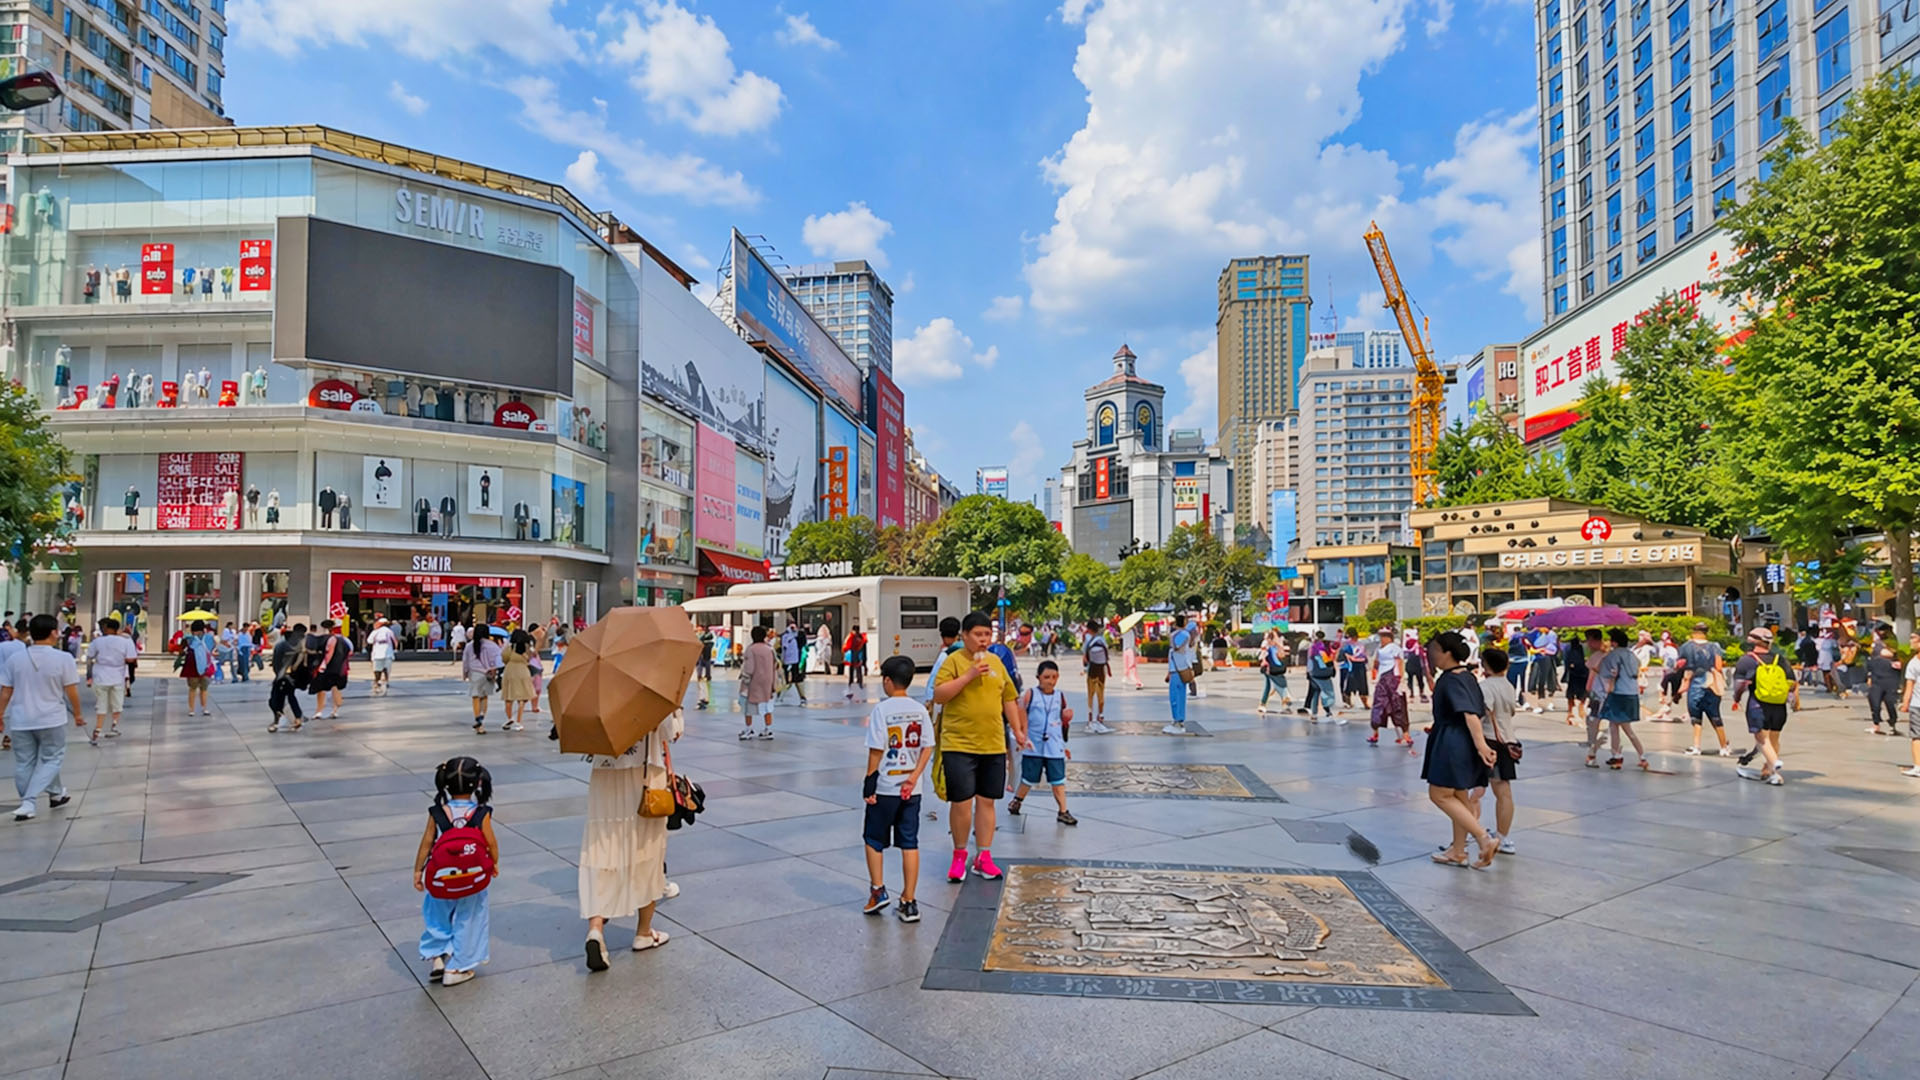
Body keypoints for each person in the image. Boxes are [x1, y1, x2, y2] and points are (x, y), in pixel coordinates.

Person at [930, 612, 1031, 883]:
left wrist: (1019, 731)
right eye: (978, 634)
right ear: (964, 636)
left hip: (992, 744)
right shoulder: (953, 660)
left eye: (987, 634)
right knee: (961, 803)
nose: (983, 640)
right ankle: (960, 854)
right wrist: (969, 676)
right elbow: (939, 694)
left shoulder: (997, 661)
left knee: (987, 801)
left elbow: (1009, 698)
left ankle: (983, 856)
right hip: (958, 743)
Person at [580, 710, 683, 971]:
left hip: (604, 775)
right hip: (645, 777)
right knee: (647, 850)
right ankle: (644, 932)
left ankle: (595, 929)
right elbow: (672, 732)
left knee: (601, 848)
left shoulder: (596, 689)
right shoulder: (652, 689)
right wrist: (675, 713)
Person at [414, 756, 497, 986]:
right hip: (472, 877)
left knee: (437, 915)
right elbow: (491, 844)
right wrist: (494, 863)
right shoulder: (481, 813)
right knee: (469, 918)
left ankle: (437, 955)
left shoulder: (438, 812)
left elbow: (427, 842)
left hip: (441, 875)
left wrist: (418, 871)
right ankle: (459, 966)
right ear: (477, 783)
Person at [862, 656, 932, 922]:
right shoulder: (920, 710)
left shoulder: (882, 710)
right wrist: (914, 776)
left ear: (887, 681)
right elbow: (928, 746)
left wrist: (869, 782)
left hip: (886, 788)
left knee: (873, 838)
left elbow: (877, 750)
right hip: (911, 791)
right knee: (909, 842)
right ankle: (909, 900)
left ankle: (878, 890)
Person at [1422, 631, 1499, 869]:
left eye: (1435, 651)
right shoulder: (1466, 676)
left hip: (1452, 741)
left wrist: (1481, 745)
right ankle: (1458, 850)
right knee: (1458, 795)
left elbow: (1469, 713)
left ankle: (1483, 838)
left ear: (1448, 653)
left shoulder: (1451, 679)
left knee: (1439, 795)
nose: (1431, 656)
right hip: (1458, 738)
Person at [0, 615, 81, 820]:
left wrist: (0, 715)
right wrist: (78, 714)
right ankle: (29, 801)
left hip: (20, 719)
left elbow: (6, 692)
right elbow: (71, 691)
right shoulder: (63, 658)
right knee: (52, 758)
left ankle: (56, 794)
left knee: (24, 763)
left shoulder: (15, 659)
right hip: (51, 718)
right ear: (54, 632)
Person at [1007, 660, 1077, 826]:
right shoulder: (1031, 694)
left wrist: (1066, 719)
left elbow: (1062, 720)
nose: (1050, 681)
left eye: (1053, 677)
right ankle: (1017, 801)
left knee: (1058, 780)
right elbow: (1020, 711)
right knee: (1028, 778)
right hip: (1034, 744)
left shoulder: (1060, 696)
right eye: (1046, 677)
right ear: (1038, 677)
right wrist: (1023, 735)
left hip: (1054, 745)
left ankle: (1063, 811)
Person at [1731, 626, 1798, 785]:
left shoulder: (1747, 660)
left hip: (1758, 704)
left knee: (1761, 738)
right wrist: (1793, 701)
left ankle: (1774, 764)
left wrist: (1737, 698)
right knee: (1774, 737)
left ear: (1752, 641)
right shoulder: (1780, 659)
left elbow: (1740, 685)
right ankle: (1769, 771)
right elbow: (1792, 684)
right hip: (1779, 706)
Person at [1473, 648, 1520, 854]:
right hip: (1508, 740)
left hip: (1489, 741)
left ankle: (1471, 833)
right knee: (1504, 792)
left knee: (1476, 790)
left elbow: (1483, 712)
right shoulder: (1509, 686)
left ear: (1486, 666)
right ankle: (1503, 837)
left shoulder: (1484, 687)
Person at [1594, 627, 1649, 770]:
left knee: (1624, 727)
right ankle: (1616, 754)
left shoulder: (1613, 656)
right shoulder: (1632, 656)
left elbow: (1603, 671)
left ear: (1615, 642)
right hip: (1632, 693)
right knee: (1614, 725)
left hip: (1618, 694)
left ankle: (1639, 755)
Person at [83, 617, 137, 745]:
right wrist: (119, 660)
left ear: (106, 628)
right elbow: (131, 659)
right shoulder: (126, 641)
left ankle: (98, 728)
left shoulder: (98, 641)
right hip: (118, 675)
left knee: (101, 702)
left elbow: (90, 656)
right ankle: (114, 726)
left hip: (100, 674)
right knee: (117, 702)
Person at [1368, 626, 1412, 748]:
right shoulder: (1379, 649)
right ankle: (1375, 732)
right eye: (1381, 636)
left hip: (1393, 678)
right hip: (1383, 679)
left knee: (1398, 705)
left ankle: (1406, 734)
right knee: (1379, 705)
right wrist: (1374, 673)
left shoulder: (1394, 648)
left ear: (1389, 637)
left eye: (1384, 636)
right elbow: (1376, 663)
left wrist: (1401, 679)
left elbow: (1400, 663)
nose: (1382, 639)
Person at [267, 622, 309, 733]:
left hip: (283, 676)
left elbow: (276, 663)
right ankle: (298, 717)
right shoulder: (300, 645)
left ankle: (285, 720)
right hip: (293, 677)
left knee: (275, 700)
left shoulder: (282, 646)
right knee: (289, 697)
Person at [737, 625, 777, 740]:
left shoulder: (751, 649)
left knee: (748, 706)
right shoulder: (770, 649)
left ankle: (748, 729)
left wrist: (744, 679)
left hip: (753, 684)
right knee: (767, 706)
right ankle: (768, 729)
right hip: (768, 683)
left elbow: (749, 669)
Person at [1863, 627, 1902, 736]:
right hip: (1877, 678)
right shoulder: (1876, 644)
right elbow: (1877, 654)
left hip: (1891, 678)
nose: (1881, 632)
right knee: (1874, 702)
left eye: (1883, 630)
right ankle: (1876, 724)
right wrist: (1869, 676)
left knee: (1890, 703)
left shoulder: (1895, 642)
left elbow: (1892, 654)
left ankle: (1892, 724)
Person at [463, 630, 503, 735]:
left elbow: (465, 661)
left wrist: (465, 673)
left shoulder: (469, 646)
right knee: (484, 697)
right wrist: (494, 672)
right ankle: (481, 717)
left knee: (475, 697)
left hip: (474, 673)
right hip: (488, 673)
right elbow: (498, 661)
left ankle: (477, 719)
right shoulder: (492, 645)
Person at [310, 620, 350, 720]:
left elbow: (327, 654)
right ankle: (335, 710)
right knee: (335, 687)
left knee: (321, 688)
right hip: (339, 668)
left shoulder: (326, 639)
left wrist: (322, 666)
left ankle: (319, 711)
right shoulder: (344, 640)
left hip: (327, 667)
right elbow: (350, 650)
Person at [1164, 613, 1195, 734]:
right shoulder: (1184, 634)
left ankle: (1178, 720)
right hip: (1178, 667)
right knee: (1177, 695)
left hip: (1178, 668)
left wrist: (1172, 635)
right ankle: (1177, 719)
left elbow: (1175, 647)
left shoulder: (1181, 634)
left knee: (1176, 695)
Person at [1082, 620, 1113, 732]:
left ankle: (1090, 721)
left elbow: (1085, 656)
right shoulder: (1102, 639)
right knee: (1101, 693)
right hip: (1101, 669)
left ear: (1089, 629)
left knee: (1091, 694)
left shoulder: (1087, 639)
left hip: (1092, 669)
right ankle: (1100, 719)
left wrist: (1084, 668)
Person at [178, 620, 215, 717]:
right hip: (206, 666)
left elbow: (181, 651)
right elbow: (212, 648)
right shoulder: (209, 638)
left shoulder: (188, 639)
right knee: (204, 688)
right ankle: (204, 708)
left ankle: (192, 709)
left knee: (193, 688)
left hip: (192, 665)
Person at [500, 629, 534, 731]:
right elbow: (531, 658)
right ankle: (519, 721)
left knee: (508, 698)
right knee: (522, 698)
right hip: (523, 671)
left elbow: (504, 658)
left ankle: (510, 718)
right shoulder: (528, 648)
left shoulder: (509, 648)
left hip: (510, 671)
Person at [1303, 631, 1340, 723]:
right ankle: (1328, 711)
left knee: (1316, 693)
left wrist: (1308, 672)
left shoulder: (1311, 647)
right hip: (1322, 673)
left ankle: (1314, 714)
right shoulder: (1322, 648)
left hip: (1313, 673)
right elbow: (1327, 662)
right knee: (1327, 692)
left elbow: (1309, 661)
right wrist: (1332, 657)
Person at [1256, 629, 1290, 716]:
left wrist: (1278, 644)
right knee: (1274, 686)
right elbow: (1263, 655)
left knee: (1276, 685)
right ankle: (1285, 703)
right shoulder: (1267, 644)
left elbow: (1281, 654)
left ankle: (1264, 704)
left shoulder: (1277, 644)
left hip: (1277, 668)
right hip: (1270, 668)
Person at [1900, 631, 1920, 778]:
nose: (1911, 641)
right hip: (1916, 704)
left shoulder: (1913, 662)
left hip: (1917, 705)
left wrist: (1906, 703)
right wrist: (1906, 703)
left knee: (1917, 737)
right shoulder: (1913, 662)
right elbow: (1909, 686)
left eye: (1914, 638)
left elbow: (1910, 685)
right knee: (1917, 736)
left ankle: (1918, 767)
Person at [1651, 631, 1683, 721]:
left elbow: (1663, 657)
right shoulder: (1674, 647)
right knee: (1670, 691)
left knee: (1662, 688)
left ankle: (1665, 707)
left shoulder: (1668, 648)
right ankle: (1666, 709)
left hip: (1670, 671)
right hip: (1674, 671)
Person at [1562, 630, 1589, 728]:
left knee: (1571, 696)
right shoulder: (1583, 648)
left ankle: (1571, 713)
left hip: (1573, 674)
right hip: (1582, 673)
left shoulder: (1568, 649)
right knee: (1581, 697)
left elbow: (1566, 661)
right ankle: (1579, 713)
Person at [1338, 628, 1370, 710]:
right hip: (1351, 666)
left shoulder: (1360, 644)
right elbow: (1344, 655)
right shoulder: (1346, 644)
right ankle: (1348, 702)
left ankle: (1365, 703)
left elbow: (1365, 655)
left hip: (1359, 666)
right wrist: (1351, 658)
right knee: (1350, 686)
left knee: (1362, 686)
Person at [366, 617, 398, 697]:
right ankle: (386, 681)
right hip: (388, 653)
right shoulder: (389, 631)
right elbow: (395, 642)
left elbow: (369, 641)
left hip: (377, 654)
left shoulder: (375, 631)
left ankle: (377, 683)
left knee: (377, 670)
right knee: (387, 669)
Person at [779, 622, 807, 704]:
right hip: (787, 660)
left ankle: (802, 696)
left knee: (797, 678)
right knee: (785, 679)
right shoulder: (785, 636)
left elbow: (803, 643)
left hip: (796, 660)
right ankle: (781, 696)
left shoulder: (799, 635)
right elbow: (783, 647)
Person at [843, 623, 868, 699]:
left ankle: (851, 682)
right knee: (858, 670)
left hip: (853, 655)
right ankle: (859, 682)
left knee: (852, 670)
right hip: (859, 656)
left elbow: (846, 647)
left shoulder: (851, 637)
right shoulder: (861, 637)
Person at [1404, 632, 1430, 702]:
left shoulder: (1410, 643)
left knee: (1411, 679)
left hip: (1411, 663)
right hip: (1416, 663)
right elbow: (1423, 655)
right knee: (1419, 679)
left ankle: (1412, 693)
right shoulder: (1417, 645)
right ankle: (1420, 692)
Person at [694, 624, 715, 709]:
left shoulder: (708, 640)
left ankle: (702, 699)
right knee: (703, 667)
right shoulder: (703, 639)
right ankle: (703, 698)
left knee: (704, 668)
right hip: (702, 657)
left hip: (704, 657)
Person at [1121, 620, 1143, 690]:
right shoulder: (1131, 631)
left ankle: (1135, 681)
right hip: (1129, 650)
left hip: (1126, 650)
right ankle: (1136, 681)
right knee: (1131, 666)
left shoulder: (1126, 632)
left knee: (1129, 666)